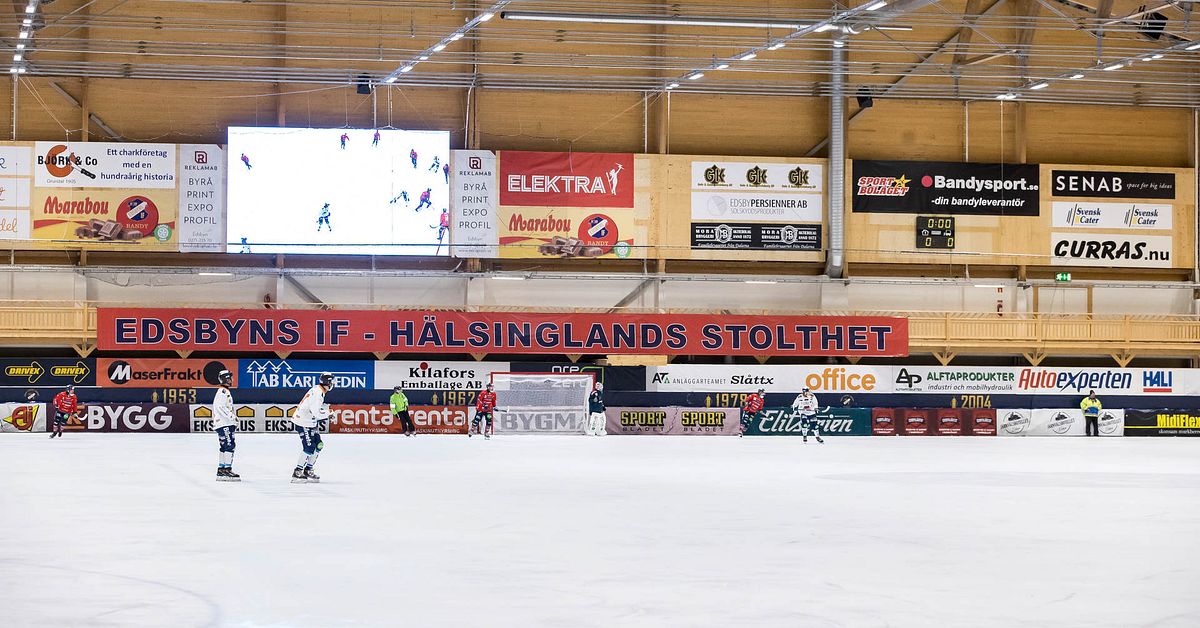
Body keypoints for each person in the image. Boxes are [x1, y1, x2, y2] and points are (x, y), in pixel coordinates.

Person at [291, 372, 334, 483]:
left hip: (310, 422)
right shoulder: (318, 393)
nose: (333, 384)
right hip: (303, 422)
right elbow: (316, 413)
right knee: (309, 447)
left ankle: (308, 469)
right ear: (327, 383)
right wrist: (328, 414)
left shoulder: (319, 390)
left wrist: (326, 413)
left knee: (318, 445)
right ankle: (297, 472)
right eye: (331, 382)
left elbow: (315, 412)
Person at [213, 370, 240, 481]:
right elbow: (221, 407)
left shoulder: (223, 391)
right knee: (229, 445)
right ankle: (227, 470)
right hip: (225, 423)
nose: (232, 380)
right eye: (230, 378)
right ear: (227, 378)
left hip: (223, 423)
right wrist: (232, 417)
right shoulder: (223, 392)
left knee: (224, 446)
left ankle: (222, 469)